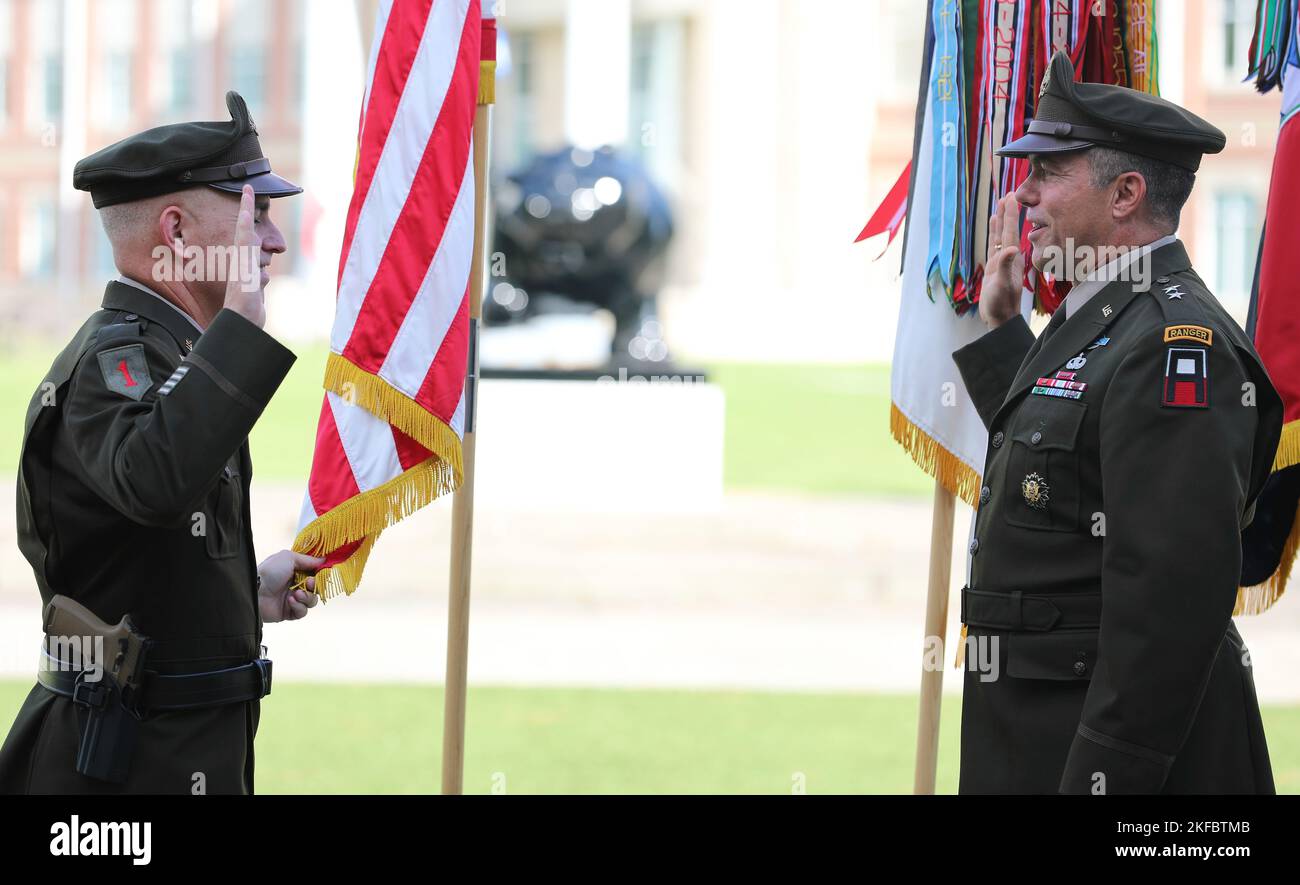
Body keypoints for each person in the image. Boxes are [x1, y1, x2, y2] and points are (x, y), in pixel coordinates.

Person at [952, 51, 1282, 794]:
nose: (1024, 196)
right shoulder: (1108, 317)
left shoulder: (1172, 344)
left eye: (1049, 173)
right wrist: (1003, 327)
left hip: (1112, 765)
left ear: (1126, 192)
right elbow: (1064, 481)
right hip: (1036, 738)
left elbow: (1166, 613)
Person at [0, 91, 325, 794]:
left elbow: (140, 546)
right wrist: (241, 324)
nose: (273, 240)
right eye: (254, 213)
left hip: (176, 753)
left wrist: (244, 589)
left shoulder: (178, 355)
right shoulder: (114, 360)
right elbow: (154, 480)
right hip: (118, 770)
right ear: (176, 232)